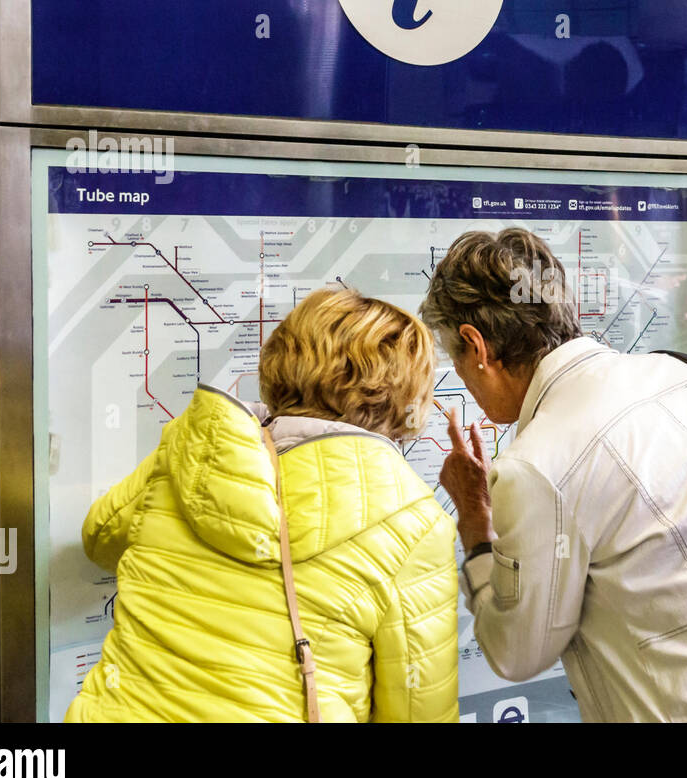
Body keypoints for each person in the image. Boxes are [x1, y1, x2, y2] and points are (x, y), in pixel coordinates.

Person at [422, 228, 687, 722]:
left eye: (453, 357)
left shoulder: (538, 465)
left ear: (476, 346)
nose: (459, 375)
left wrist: (477, 525)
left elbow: (516, 650)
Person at [66, 287, 458, 722]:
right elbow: (418, 711)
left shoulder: (196, 447)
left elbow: (100, 537)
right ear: (408, 399)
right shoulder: (417, 525)